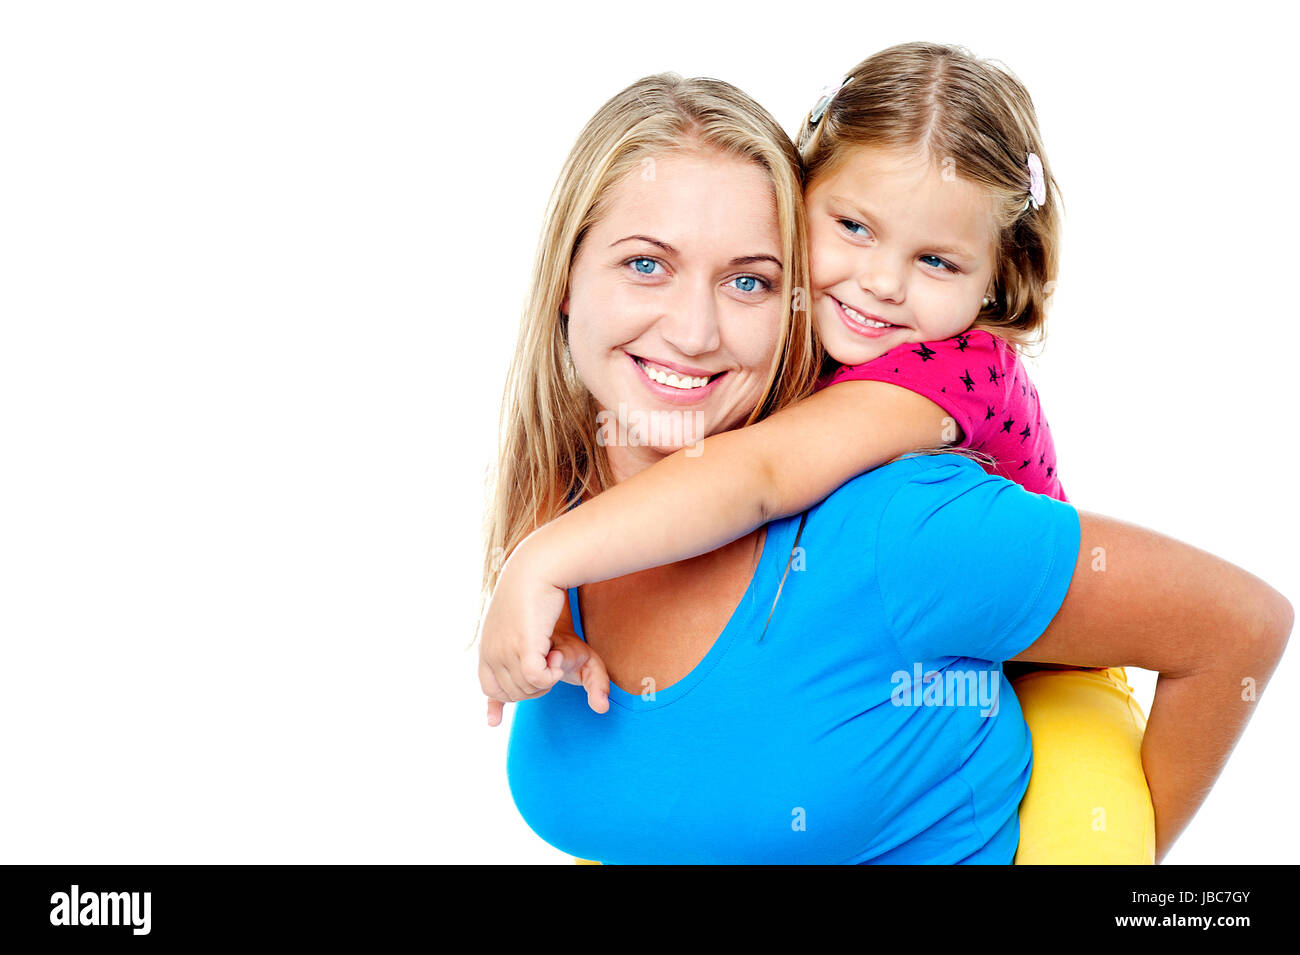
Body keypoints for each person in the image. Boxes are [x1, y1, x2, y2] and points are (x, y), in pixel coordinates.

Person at [477, 67, 1292, 864]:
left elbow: (1239, 625)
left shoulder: (898, 487)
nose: (694, 330)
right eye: (646, 263)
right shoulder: (589, 493)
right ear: (565, 280)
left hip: (1066, 672)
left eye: (750, 280)